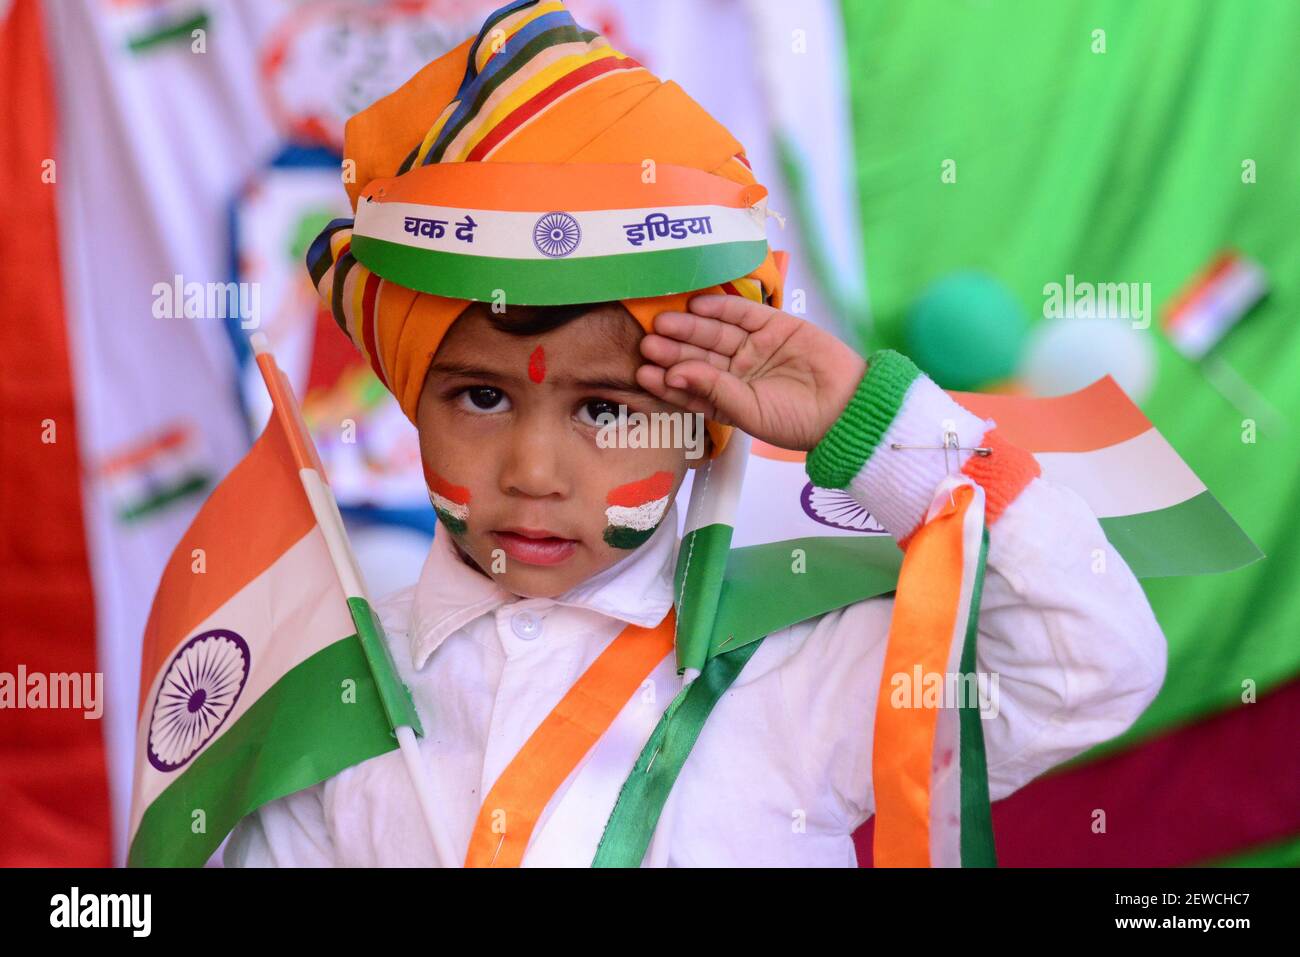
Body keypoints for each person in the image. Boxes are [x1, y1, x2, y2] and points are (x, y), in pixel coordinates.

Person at [223, 0, 1165, 867]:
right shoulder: (337, 704)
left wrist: (878, 432)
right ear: (407, 397)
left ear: (703, 425)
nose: (535, 472)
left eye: (605, 409)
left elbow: (1088, 668)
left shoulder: (794, 669)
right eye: (480, 398)